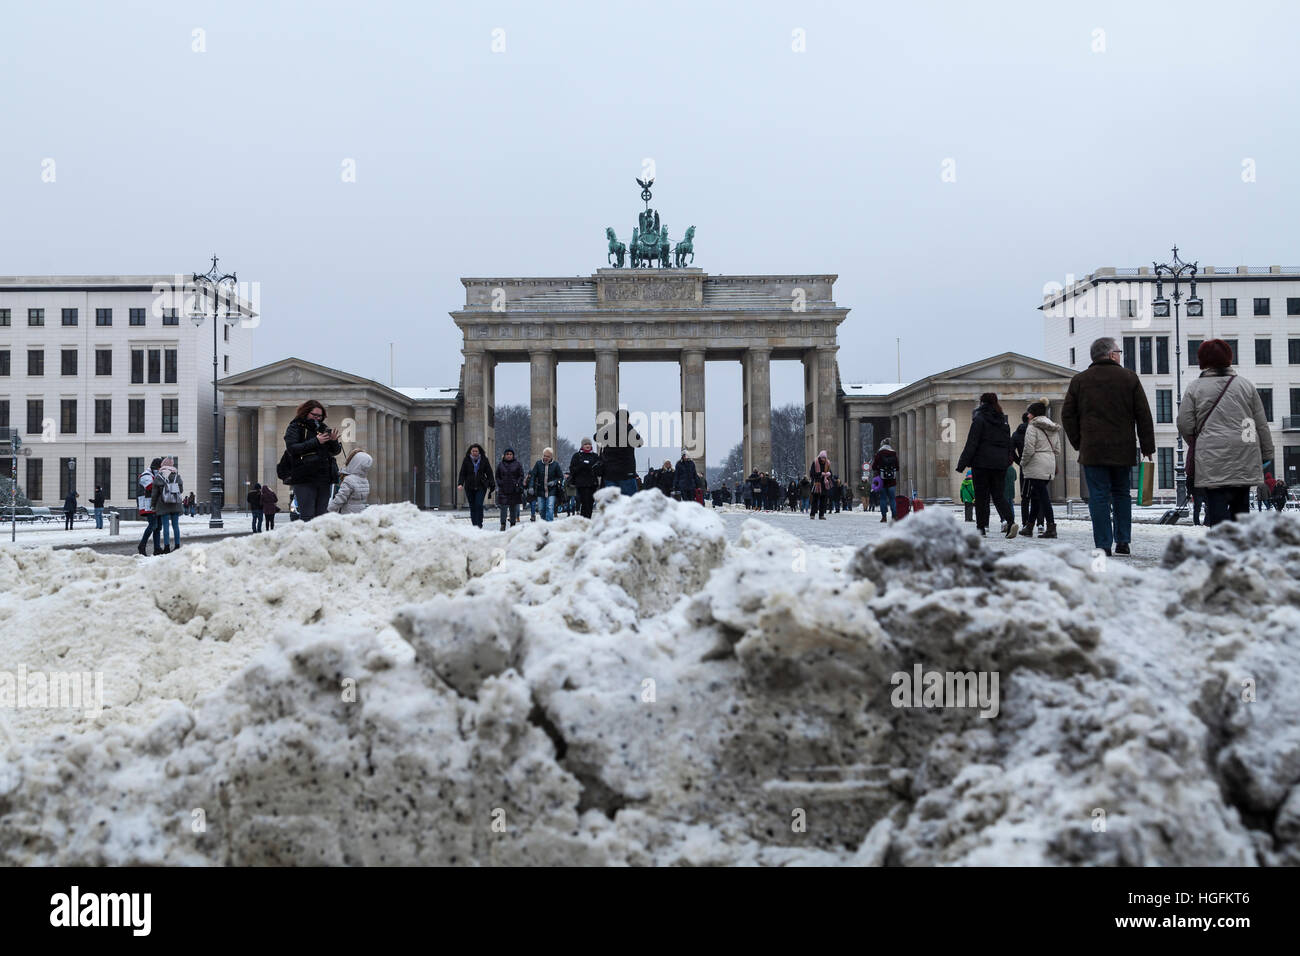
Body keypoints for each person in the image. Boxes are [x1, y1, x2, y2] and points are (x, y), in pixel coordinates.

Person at [1062, 337, 1155, 556]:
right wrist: (1147, 446)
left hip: (1092, 449)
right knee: (1122, 493)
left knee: (1099, 496)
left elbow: (1067, 415)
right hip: (1122, 449)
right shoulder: (1129, 378)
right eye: (1119, 352)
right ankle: (1123, 540)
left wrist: (1079, 441)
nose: (1120, 355)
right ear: (1112, 354)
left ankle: (1103, 544)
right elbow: (1143, 414)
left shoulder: (1080, 380)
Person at [1176, 338, 1272, 528]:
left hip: (1211, 459)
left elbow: (1185, 424)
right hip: (1244, 455)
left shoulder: (1194, 388)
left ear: (1202, 361)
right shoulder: (1246, 386)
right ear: (1229, 358)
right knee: (1241, 508)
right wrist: (1267, 453)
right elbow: (1260, 424)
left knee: (1216, 508)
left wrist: (1199, 442)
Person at [956, 392, 1018, 538]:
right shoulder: (1003, 421)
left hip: (982, 464)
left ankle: (981, 528)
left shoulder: (979, 419)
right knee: (998, 495)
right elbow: (1008, 444)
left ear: (982, 403)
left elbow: (972, 442)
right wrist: (1007, 461)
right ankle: (1010, 521)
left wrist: (962, 464)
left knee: (981, 497)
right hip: (999, 465)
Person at [283, 399, 343, 522]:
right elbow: (292, 448)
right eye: (314, 415)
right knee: (307, 516)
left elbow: (334, 452)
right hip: (304, 477)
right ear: (305, 413)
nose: (317, 418)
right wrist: (316, 441)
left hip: (324, 478)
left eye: (320, 416)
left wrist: (333, 441)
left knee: (321, 516)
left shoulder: (323, 428)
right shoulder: (295, 427)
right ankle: (306, 540)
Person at [1019, 402, 1061, 539]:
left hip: (1036, 464)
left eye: (1029, 412)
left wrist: (1023, 463)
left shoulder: (1032, 427)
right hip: (1049, 463)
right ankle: (1030, 526)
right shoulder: (1052, 426)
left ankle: (1051, 526)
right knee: (1036, 495)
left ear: (1034, 414)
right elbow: (1057, 449)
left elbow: (1029, 448)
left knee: (1042, 496)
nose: (1028, 415)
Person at [596, 410, 642, 496]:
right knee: (629, 503)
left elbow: (596, 437)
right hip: (626, 472)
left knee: (612, 504)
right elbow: (639, 442)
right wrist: (629, 426)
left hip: (610, 473)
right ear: (627, 419)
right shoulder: (628, 431)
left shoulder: (610, 430)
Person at [457, 443, 495, 528]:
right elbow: (462, 473)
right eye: (473, 451)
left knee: (478, 504)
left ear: (479, 452)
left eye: (476, 451)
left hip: (481, 486)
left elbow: (489, 472)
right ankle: (474, 525)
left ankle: (479, 523)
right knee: (472, 506)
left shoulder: (484, 460)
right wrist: (460, 483)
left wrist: (492, 483)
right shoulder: (466, 460)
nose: (475, 452)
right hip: (469, 486)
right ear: (470, 452)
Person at [152, 456, 184, 552]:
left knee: (166, 526)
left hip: (163, 504)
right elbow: (181, 490)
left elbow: (155, 493)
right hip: (175, 503)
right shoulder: (177, 476)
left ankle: (166, 547)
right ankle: (177, 545)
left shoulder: (159, 476)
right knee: (175, 525)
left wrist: (153, 505)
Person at [328, 449, 373, 515]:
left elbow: (340, 499)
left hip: (348, 514)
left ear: (354, 462)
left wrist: (329, 509)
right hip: (360, 513)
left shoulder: (349, 480)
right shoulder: (364, 480)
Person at [569, 438, 602, 518]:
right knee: (584, 502)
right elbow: (572, 469)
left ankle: (587, 519)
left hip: (592, 484)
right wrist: (581, 466)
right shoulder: (577, 456)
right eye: (586, 444)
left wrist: (593, 467)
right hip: (581, 484)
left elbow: (599, 470)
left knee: (590, 503)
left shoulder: (595, 456)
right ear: (582, 445)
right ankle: (584, 519)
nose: (587, 446)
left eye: (589, 444)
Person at [136, 458, 162, 555]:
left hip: (155, 504)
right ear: (155, 467)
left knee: (158, 527)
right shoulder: (146, 475)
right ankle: (142, 545)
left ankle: (157, 548)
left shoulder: (155, 475)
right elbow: (150, 487)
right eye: (159, 468)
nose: (160, 470)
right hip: (147, 504)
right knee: (153, 525)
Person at [494, 448, 525, 529]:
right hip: (503, 489)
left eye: (510, 454)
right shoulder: (500, 464)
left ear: (513, 455)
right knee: (503, 508)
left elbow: (521, 475)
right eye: (507, 454)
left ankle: (512, 524)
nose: (509, 456)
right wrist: (500, 483)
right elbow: (497, 476)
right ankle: (503, 524)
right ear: (504, 455)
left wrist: (518, 483)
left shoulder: (517, 464)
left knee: (513, 508)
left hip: (514, 489)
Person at [871, 438, 899, 524]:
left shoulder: (879, 454)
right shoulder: (894, 454)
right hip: (892, 481)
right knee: (892, 499)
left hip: (882, 481)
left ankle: (884, 517)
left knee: (883, 499)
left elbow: (873, 467)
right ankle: (894, 516)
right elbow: (897, 467)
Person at [530, 447, 563, 521]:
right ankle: (544, 522)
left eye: (547, 456)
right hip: (540, 490)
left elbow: (561, 477)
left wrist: (554, 482)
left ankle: (549, 525)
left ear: (551, 457)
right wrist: (531, 487)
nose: (545, 458)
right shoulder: (538, 464)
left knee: (550, 507)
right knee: (541, 509)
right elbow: (533, 476)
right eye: (544, 455)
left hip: (551, 491)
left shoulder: (555, 465)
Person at [1012, 412, 1030, 528]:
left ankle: (1025, 523)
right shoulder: (1036, 431)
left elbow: (1010, 449)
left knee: (1025, 497)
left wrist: (1019, 461)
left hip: (1024, 467)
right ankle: (1039, 523)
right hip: (1037, 466)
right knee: (1039, 495)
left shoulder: (1016, 433)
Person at [809, 450, 833, 520]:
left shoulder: (828, 463)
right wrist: (820, 474)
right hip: (817, 484)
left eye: (824, 458)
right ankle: (812, 514)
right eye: (822, 457)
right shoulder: (815, 462)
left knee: (823, 501)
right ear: (820, 457)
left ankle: (821, 515)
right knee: (815, 500)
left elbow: (830, 473)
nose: (823, 459)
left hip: (824, 484)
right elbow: (812, 474)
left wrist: (829, 474)